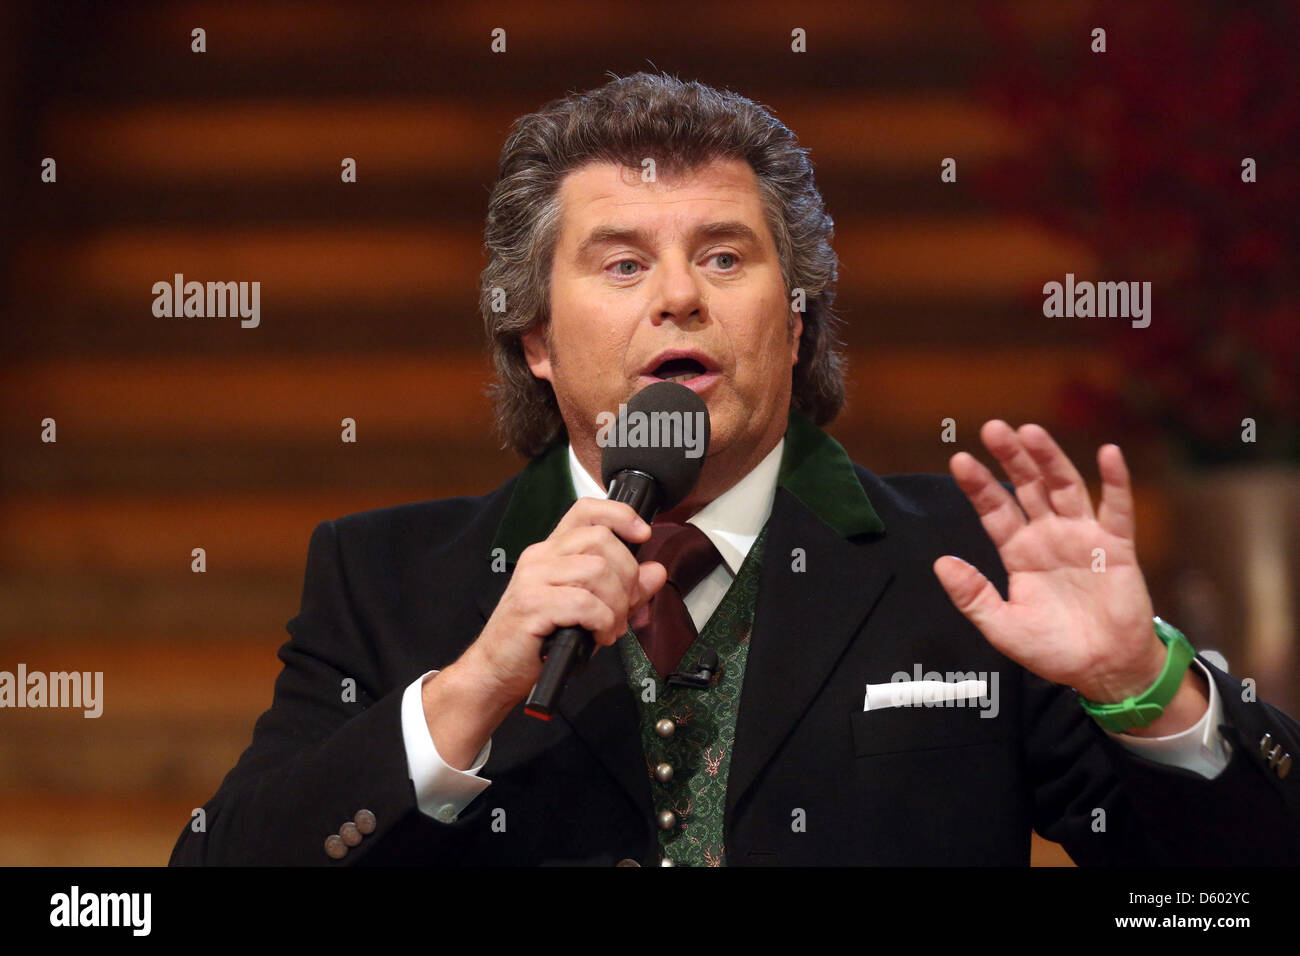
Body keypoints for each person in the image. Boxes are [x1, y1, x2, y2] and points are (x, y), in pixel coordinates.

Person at [170, 72, 1300, 867]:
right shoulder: (383, 577)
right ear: (536, 339)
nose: (679, 296)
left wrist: (1142, 690)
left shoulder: (966, 564)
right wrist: (466, 695)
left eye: (724, 254)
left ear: (797, 324)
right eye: (621, 262)